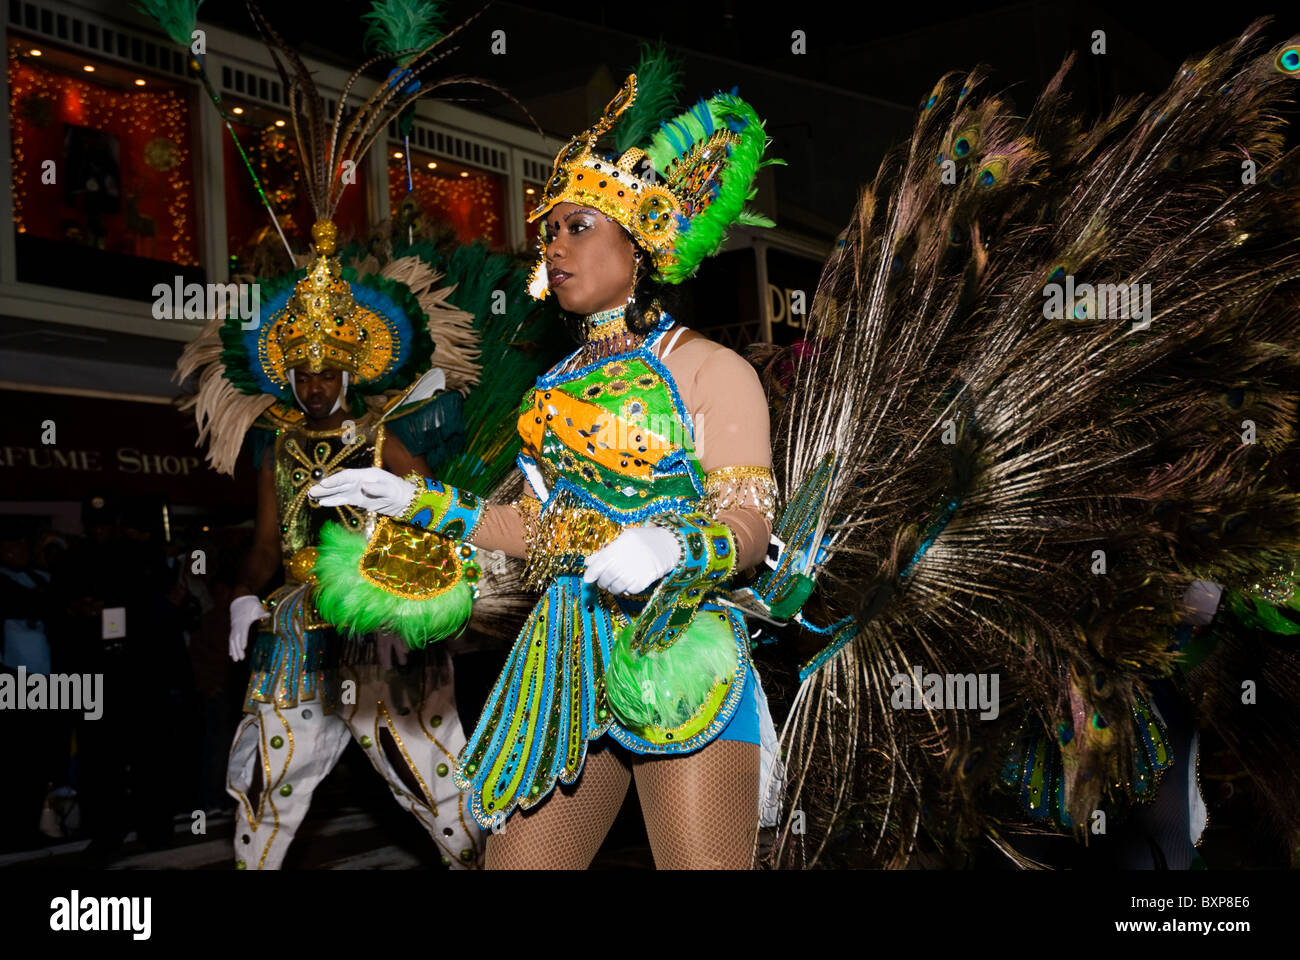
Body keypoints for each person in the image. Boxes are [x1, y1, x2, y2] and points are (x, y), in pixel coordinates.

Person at [312, 69, 785, 868]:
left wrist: (672, 551)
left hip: (678, 653)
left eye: (576, 226)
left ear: (642, 244)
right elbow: (533, 531)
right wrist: (413, 498)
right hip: (563, 659)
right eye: (548, 230)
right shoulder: (552, 390)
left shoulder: (710, 370)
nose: (553, 245)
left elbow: (748, 526)